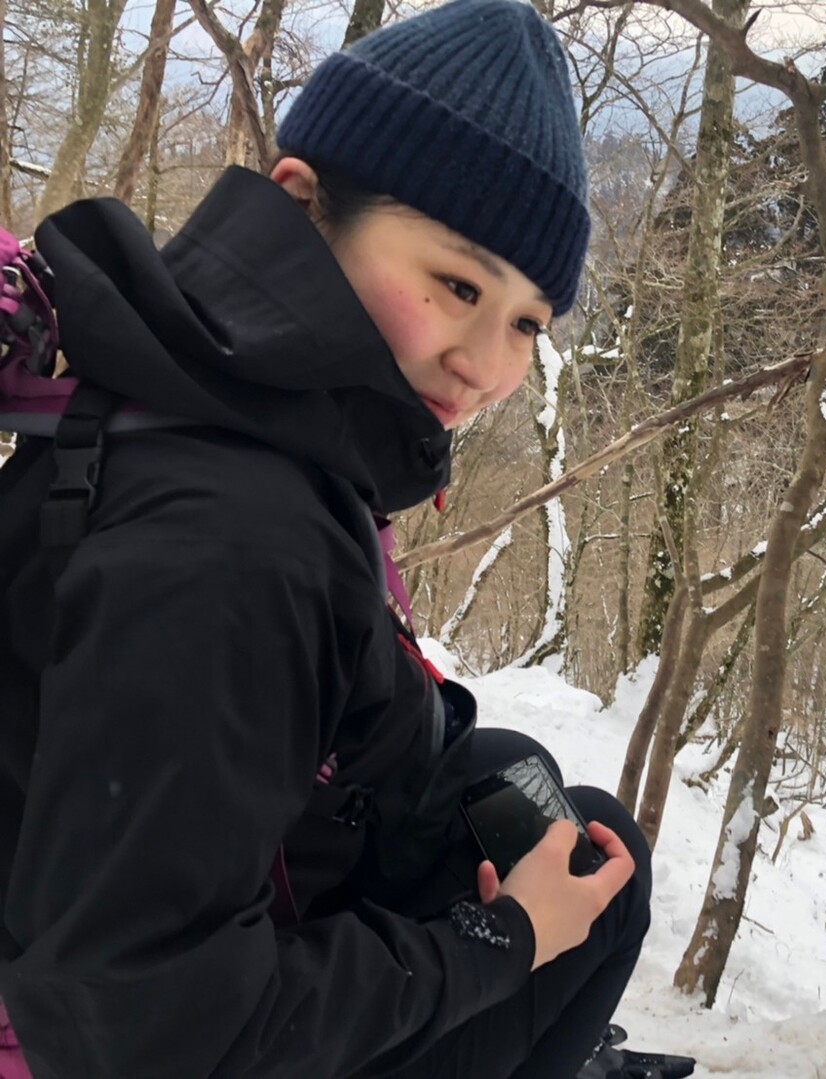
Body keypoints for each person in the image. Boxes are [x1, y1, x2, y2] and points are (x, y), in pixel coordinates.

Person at [0, 1, 662, 1075]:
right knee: (596, 884)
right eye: (458, 285)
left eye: (528, 322)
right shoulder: (233, 536)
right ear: (302, 203)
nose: (487, 367)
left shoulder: (208, 398)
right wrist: (500, 943)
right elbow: (145, 1026)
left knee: (515, 785)